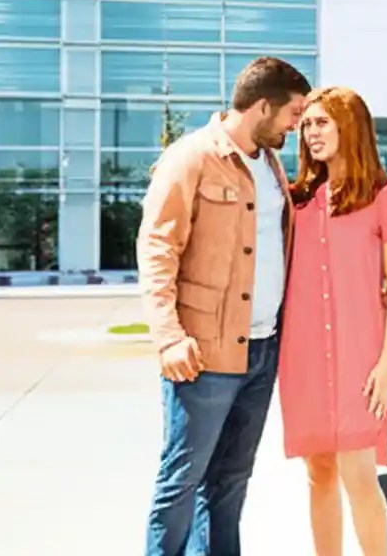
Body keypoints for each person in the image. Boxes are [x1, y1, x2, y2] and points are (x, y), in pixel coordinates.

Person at [138, 56, 312, 555]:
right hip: (204, 354)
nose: (296, 125)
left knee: (231, 481)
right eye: (294, 113)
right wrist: (169, 338)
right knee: (182, 481)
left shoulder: (270, 164)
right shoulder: (190, 158)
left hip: (262, 349)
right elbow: (157, 248)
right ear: (263, 106)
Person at [278, 85, 387, 556]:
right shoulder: (296, 199)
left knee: (359, 474)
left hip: (361, 357)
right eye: (306, 125)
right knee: (318, 472)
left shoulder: (386, 196)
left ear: (349, 126)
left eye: (321, 123)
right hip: (304, 357)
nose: (310, 133)